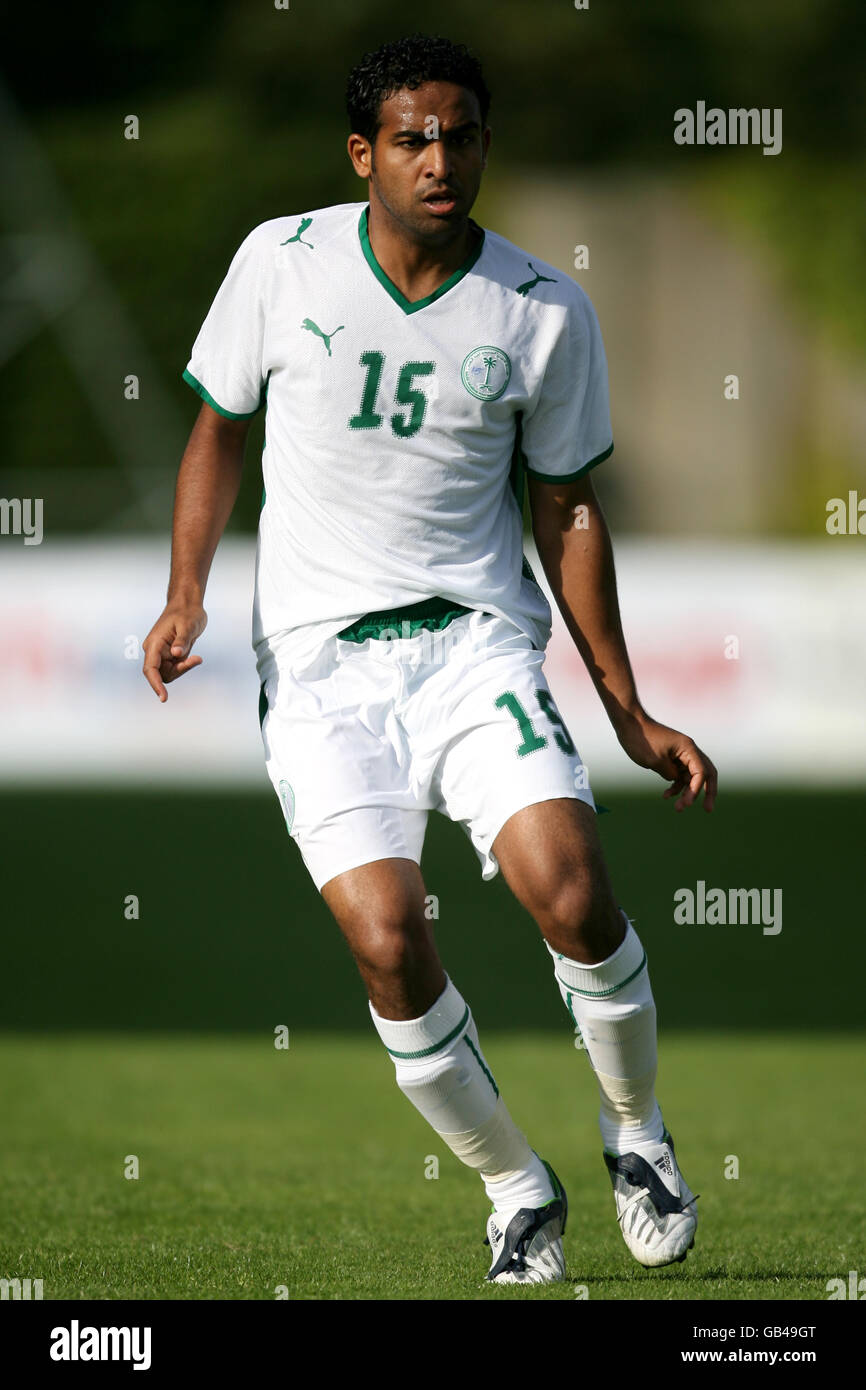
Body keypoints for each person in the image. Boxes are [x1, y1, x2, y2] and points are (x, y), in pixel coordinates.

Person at [143, 33, 717, 1286]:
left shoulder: (543, 307)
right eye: (410, 137)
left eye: (459, 134)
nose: (437, 158)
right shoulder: (279, 263)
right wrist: (185, 593)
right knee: (389, 938)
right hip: (318, 669)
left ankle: (637, 1134)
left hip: (472, 650)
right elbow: (215, 430)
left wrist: (624, 704)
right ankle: (515, 1185)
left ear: (483, 145)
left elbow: (564, 510)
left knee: (569, 888)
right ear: (364, 155)